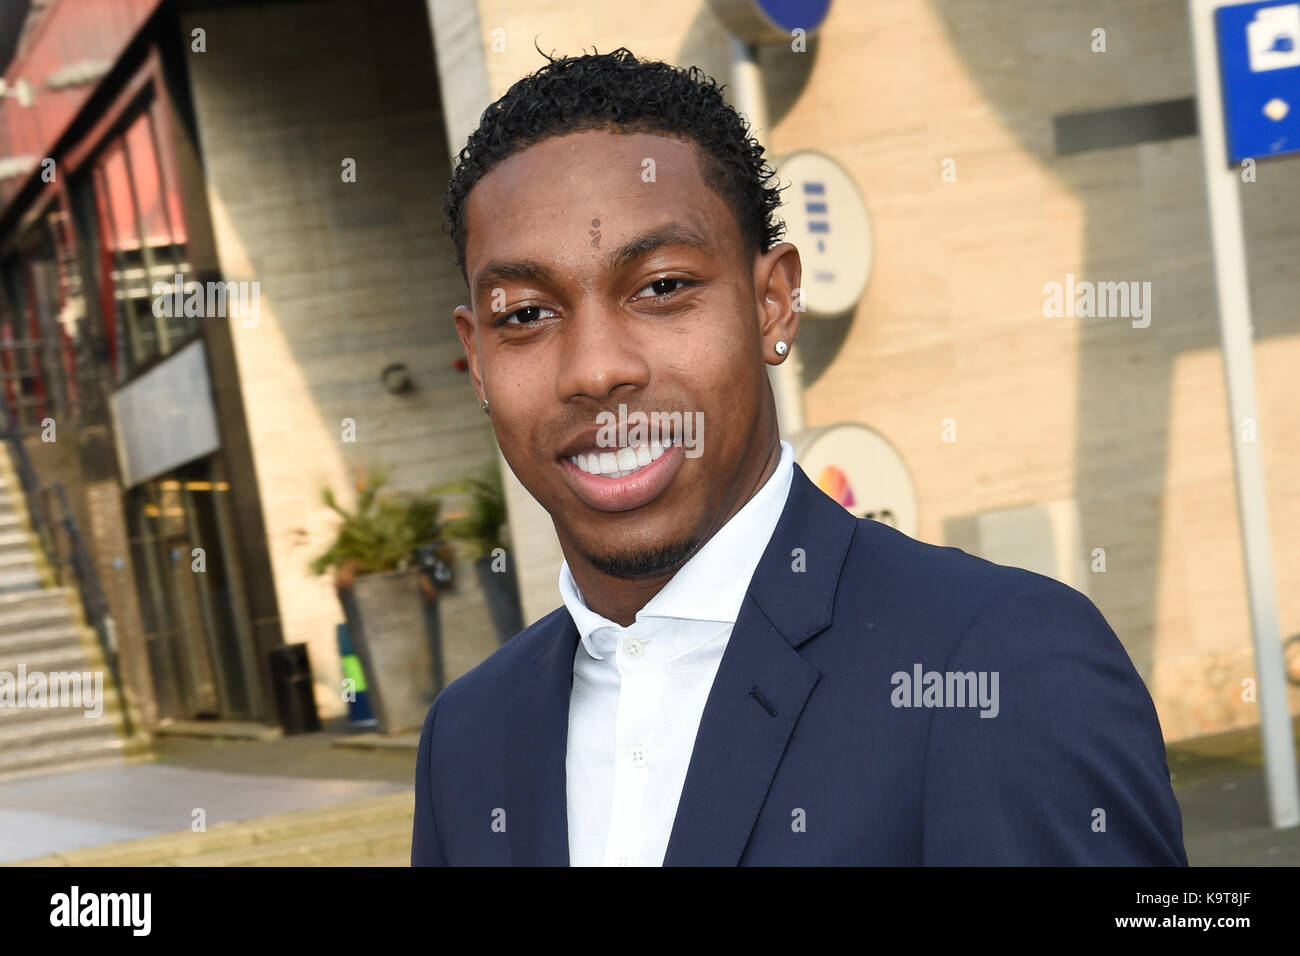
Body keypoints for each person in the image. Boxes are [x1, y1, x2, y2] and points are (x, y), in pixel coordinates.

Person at [411, 47, 1187, 866]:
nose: (596, 368)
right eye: (527, 313)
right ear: (478, 359)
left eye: (662, 287)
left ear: (773, 301)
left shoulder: (1000, 669)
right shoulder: (467, 738)